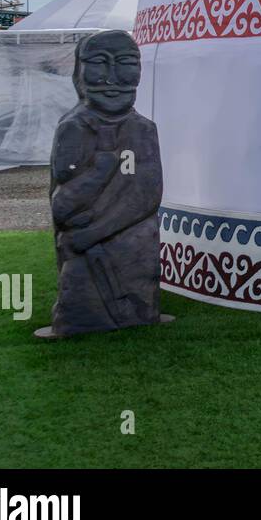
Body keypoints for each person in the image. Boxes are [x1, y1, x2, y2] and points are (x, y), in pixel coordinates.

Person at [48, 30, 164, 335]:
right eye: (99, 63)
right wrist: (100, 173)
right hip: (84, 253)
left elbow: (147, 195)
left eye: (126, 63)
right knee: (81, 298)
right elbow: (62, 206)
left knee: (136, 284)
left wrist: (93, 232)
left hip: (125, 242)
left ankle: (138, 313)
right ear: (80, 71)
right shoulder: (74, 128)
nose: (112, 78)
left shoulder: (143, 130)